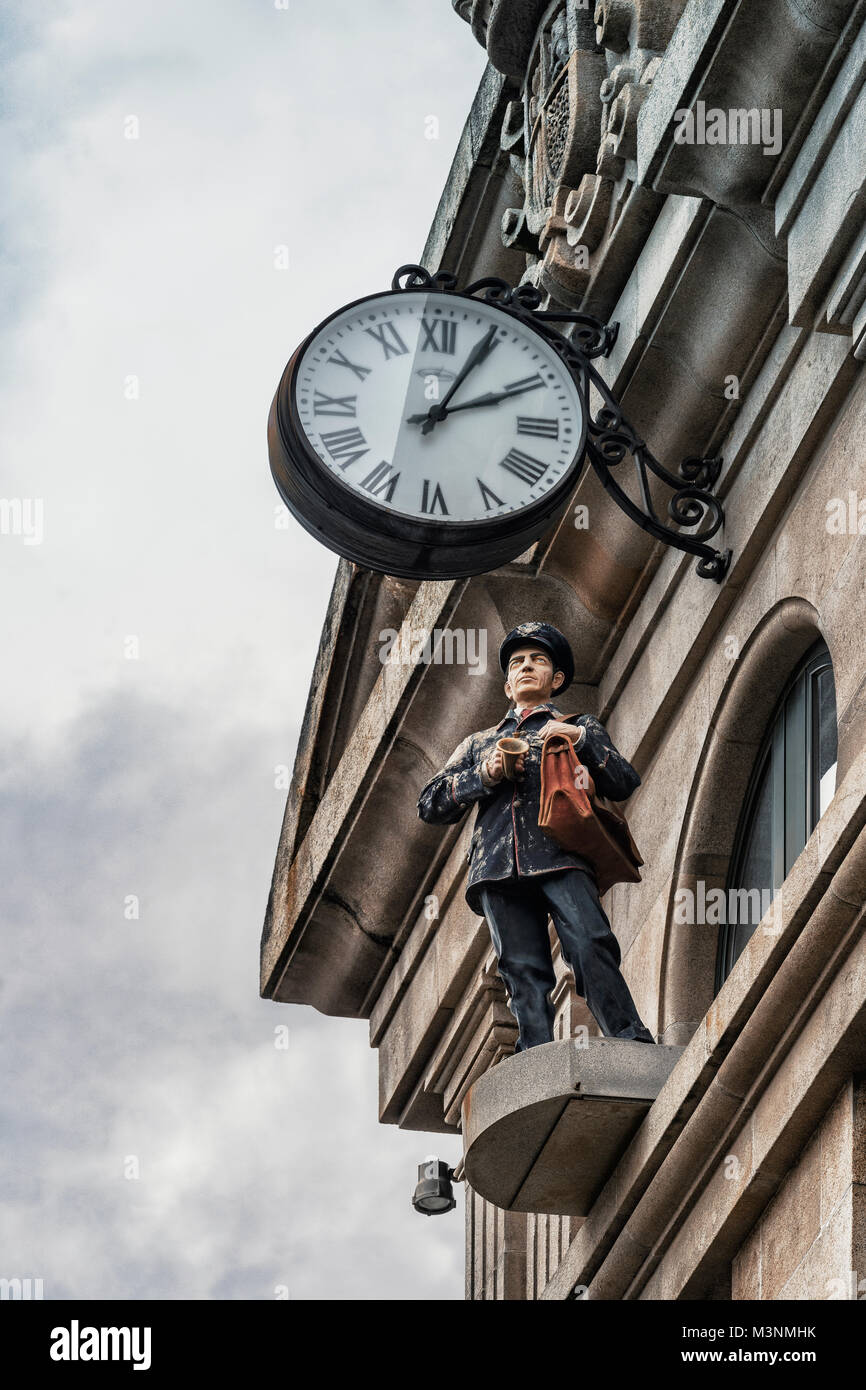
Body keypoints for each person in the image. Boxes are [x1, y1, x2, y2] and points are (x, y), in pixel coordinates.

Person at [417, 621, 655, 1051]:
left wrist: (580, 739)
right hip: (497, 865)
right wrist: (484, 775)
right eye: (517, 663)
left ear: (556, 679)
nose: (527, 666)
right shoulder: (480, 742)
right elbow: (430, 803)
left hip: (562, 851)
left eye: (538, 660)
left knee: (588, 942)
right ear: (507, 685)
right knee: (520, 967)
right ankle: (535, 1054)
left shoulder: (578, 724)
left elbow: (623, 780)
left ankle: (628, 1036)